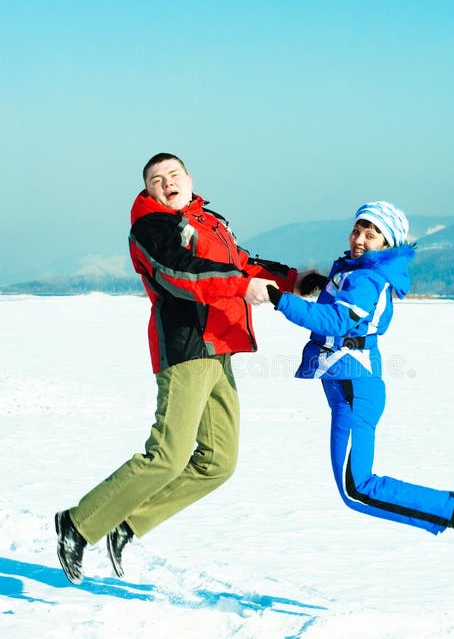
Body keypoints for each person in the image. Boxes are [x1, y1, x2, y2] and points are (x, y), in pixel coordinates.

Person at [55, 153, 302, 584]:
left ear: (189, 178)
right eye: (156, 180)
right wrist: (243, 287)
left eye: (173, 175)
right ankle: (77, 524)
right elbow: (179, 274)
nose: (167, 183)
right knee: (167, 455)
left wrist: (297, 281)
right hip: (186, 349)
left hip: (219, 349)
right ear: (148, 190)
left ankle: (126, 524)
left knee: (218, 463)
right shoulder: (151, 228)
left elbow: (241, 262)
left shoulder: (208, 221)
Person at [266, 201, 454, 551]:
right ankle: (451, 508)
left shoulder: (367, 278)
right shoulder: (356, 273)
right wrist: (319, 283)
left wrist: (280, 301)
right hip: (350, 388)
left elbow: (338, 321)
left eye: (371, 234)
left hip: (356, 390)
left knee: (357, 486)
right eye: (357, 230)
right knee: (356, 485)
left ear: (387, 243)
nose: (360, 239)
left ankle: (452, 508)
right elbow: (339, 303)